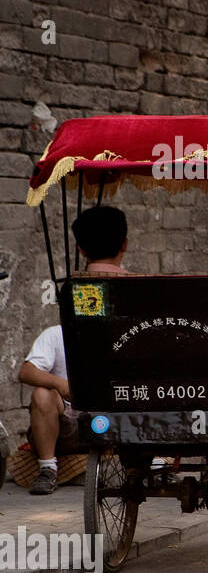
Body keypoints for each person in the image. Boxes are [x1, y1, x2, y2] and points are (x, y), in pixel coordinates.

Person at [18, 206, 129, 495]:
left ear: (80, 248)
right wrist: (61, 385)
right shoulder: (57, 335)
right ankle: (48, 467)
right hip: (72, 424)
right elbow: (26, 371)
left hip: (120, 418)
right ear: (125, 245)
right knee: (42, 393)